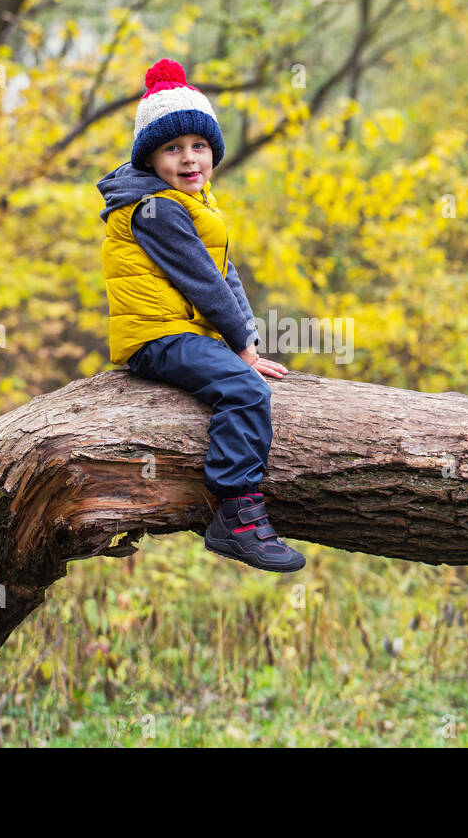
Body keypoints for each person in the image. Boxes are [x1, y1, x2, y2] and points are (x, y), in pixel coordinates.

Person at [96, 58, 306, 573]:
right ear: (151, 157)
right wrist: (241, 354)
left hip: (182, 332)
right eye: (173, 148)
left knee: (247, 377)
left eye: (199, 147)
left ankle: (238, 510)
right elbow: (203, 283)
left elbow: (225, 275)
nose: (189, 159)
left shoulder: (192, 201)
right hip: (157, 336)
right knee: (246, 391)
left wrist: (246, 343)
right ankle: (235, 513)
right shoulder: (156, 209)